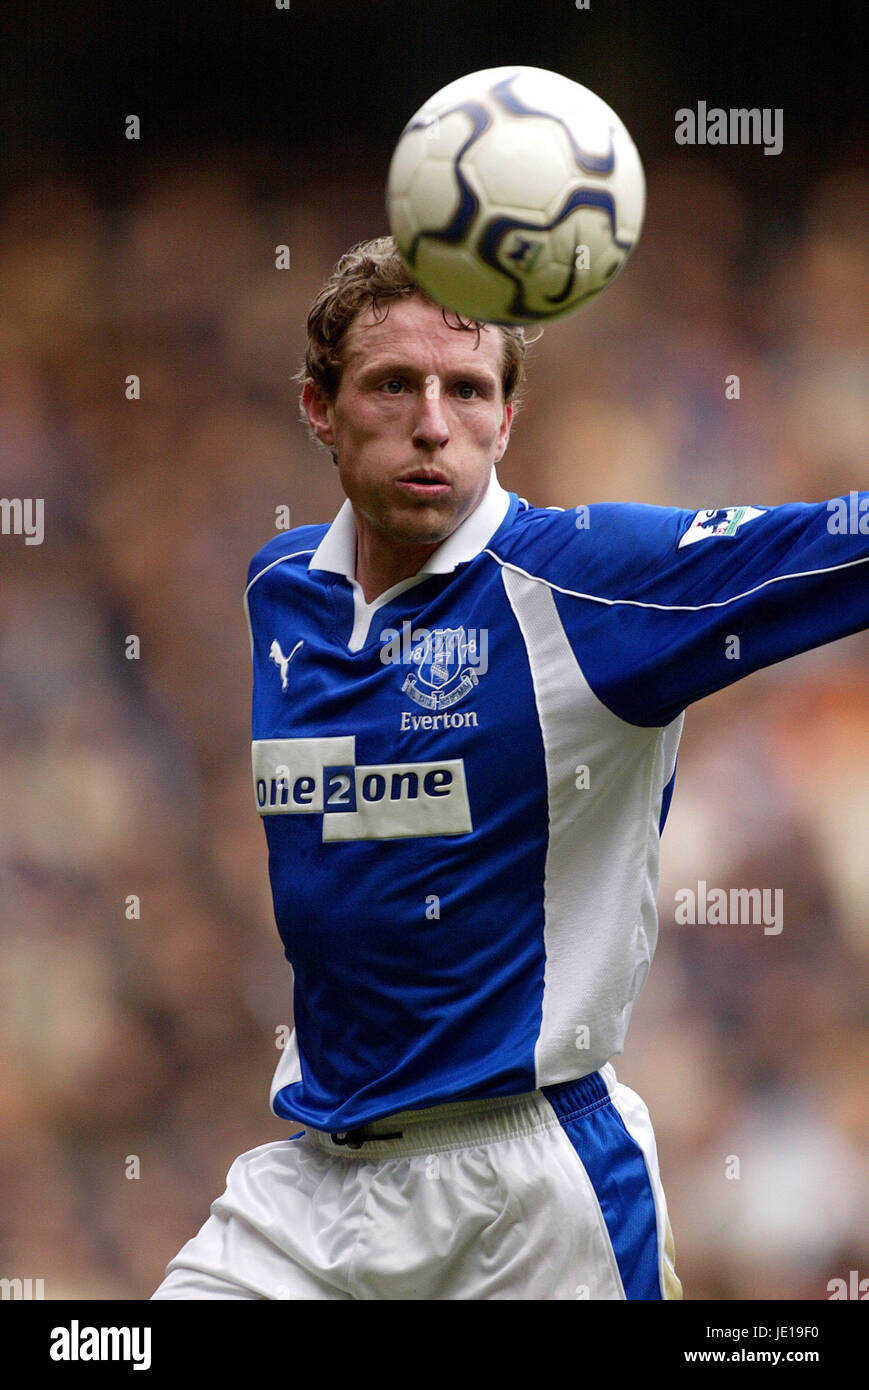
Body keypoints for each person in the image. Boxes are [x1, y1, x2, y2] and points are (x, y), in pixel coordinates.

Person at [152, 236, 869, 1300]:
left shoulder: (587, 587)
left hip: (529, 1194)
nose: (433, 423)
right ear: (317, 406)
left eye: (467, 388)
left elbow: (835, 542)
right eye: (394, 384)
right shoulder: (281, 589)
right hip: (308, 1190)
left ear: (506, 416)